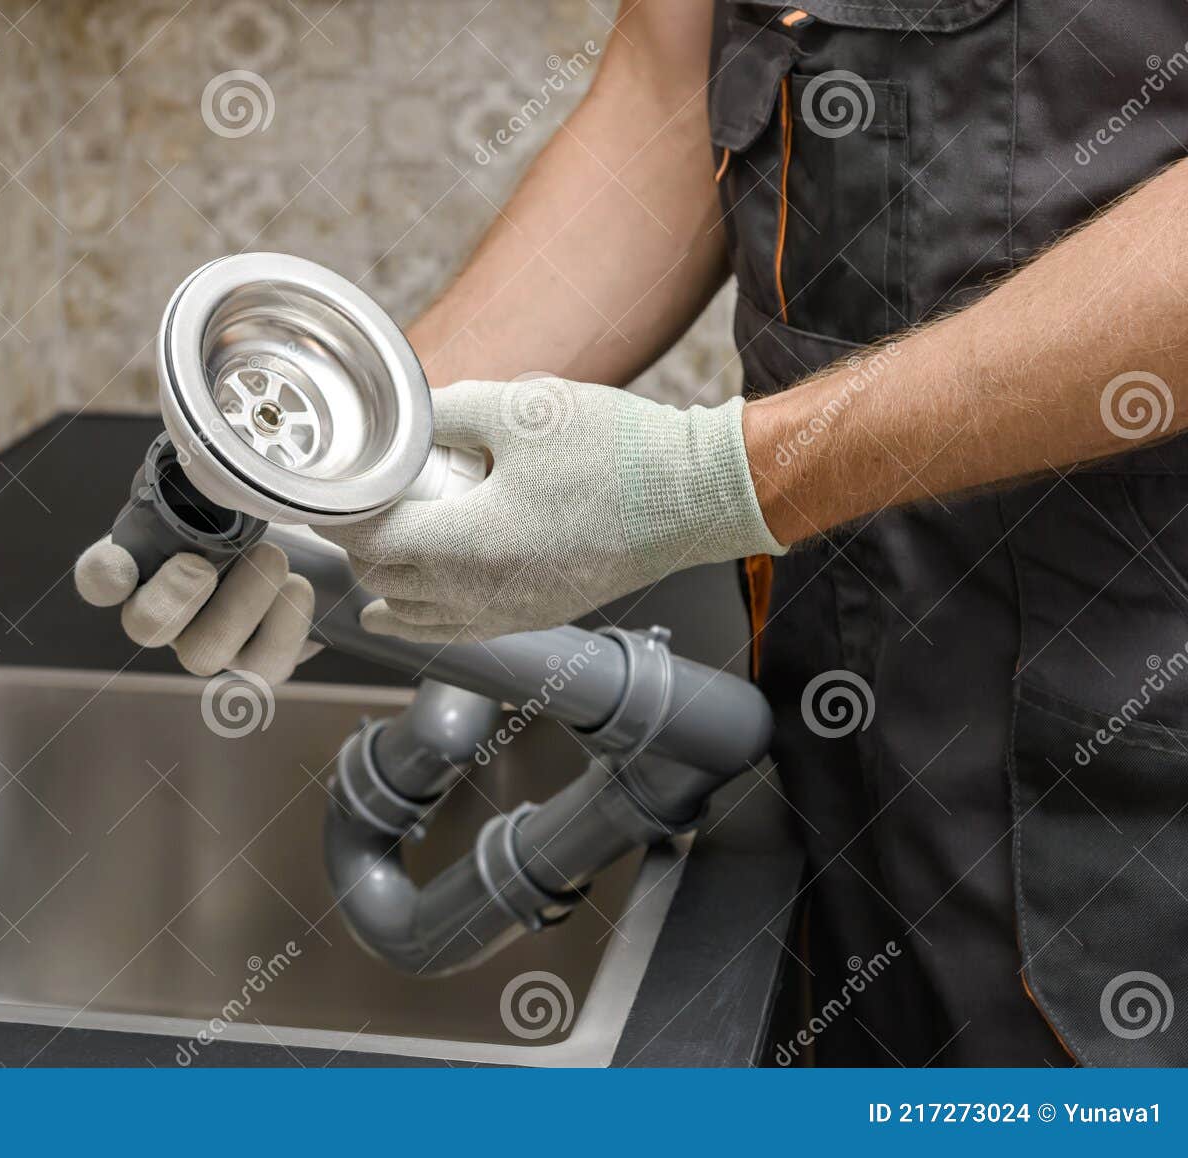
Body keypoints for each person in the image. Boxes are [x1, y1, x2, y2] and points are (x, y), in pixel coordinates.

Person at [77, 1, 1188, 1066]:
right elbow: (668, 90)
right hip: (849, 723)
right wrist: (345, 468)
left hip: (1130, 753)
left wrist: (715, 480)